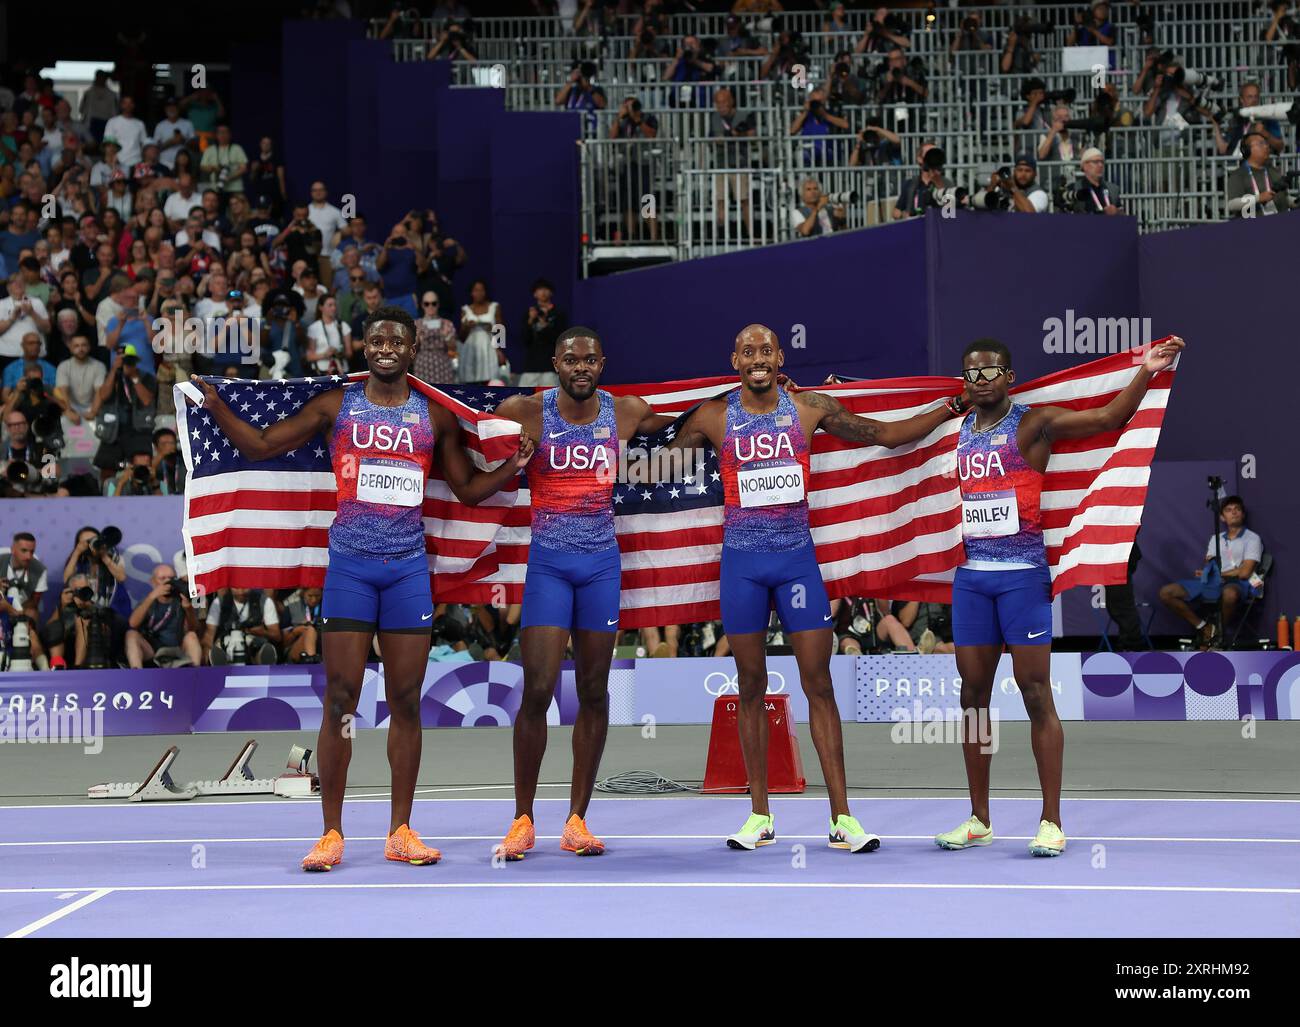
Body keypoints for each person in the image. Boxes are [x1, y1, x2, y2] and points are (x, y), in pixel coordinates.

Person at [187, 304, 535, 872]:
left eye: (397, 341)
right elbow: (259, 445)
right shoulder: (336, 405)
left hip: (406, 571)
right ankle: (331, 833)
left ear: (411, 345)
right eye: (377, 340)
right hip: (349, 567)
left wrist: (513, 467)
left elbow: (469, 491)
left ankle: (400, 830)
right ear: (364, 346)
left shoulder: (434, 415)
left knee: (405, 701)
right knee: (341, 700)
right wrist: (219, 405)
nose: (386, 349)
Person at [663, 324, 965, 851]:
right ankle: (759, 815)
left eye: (766, 350)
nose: (758, 358)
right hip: (742, 567)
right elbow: (656, 458)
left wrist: (949, 407)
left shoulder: (810, 409)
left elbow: (884, 435)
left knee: (818, 682)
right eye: (748, 351)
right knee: (750, 685)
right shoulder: (713, 416)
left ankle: (842, 817)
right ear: (734, 358)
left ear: (780, 357)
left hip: (796, 565)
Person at [935, 335, 1184, 858]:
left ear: (1009, 376)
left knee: (1035, 694)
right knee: (972, 699)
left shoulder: (1034, 423)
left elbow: (1108, 418)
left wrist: (1146, 369)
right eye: (972, 373)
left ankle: (1051, 820)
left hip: (1022, 577)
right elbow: (887, 433)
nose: (981, 380)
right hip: (972, 580)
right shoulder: (954, 430)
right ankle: (979, 818)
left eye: (991, 372)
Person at [489, 327, 671, 860]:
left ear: (602, 363)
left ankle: (576, 819)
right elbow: (475, 426)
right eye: (571, 360)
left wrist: (773, 398)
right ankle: (522, 819)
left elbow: (690, 426)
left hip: (599, 569)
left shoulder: (626, 412)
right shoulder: (527, 411)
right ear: (555, 364)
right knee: (538, 690)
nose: (581, 367)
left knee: (594, 691)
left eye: (590, 359)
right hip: (548, 568)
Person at [1159, 496, 1261, 647]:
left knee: (1230, 594)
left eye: (1237, 509)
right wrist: (1208, 572)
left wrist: (1222, 574)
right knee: (1166, 592)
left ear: (1243, 514)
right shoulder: (1216, 539)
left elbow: (1245, 572)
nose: (1234, 513)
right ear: (1222, 517)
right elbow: (1210, 564)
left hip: (1238, 583)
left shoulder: (1252, 538)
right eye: (1228, 510)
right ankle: (1205, 628)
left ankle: (1217, 634)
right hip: (1214, 582)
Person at [126, 562, 202, 668]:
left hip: (177, 648)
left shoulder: (181, 599)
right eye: (162, 578)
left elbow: (193, 629)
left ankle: (196, 677)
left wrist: (189, 609)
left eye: (171, 578)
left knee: (191, 636)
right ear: (153, 582)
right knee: (131, 635)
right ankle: (137, 676)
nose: (167, 581)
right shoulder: (148, 600)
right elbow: (133, 624)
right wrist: (152, 596)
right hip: (152, 649)